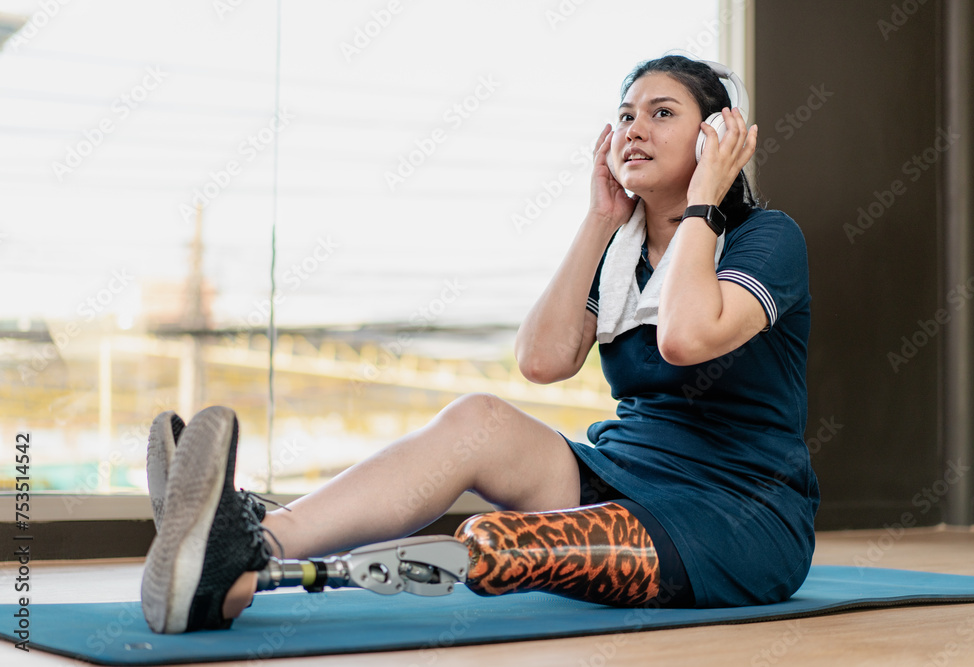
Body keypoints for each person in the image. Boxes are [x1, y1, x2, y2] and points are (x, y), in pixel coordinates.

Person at [140, 54, 820, 634]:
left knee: (506, 547)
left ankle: (228, 564)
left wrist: (707, 194)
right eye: (624, 114)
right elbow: (542, 359)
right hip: (620, 477)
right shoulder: (623, 249)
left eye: (661, 113)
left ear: (715, 137)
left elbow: (685, 336)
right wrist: (599, 218)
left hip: (739, 515)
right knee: (477, 419)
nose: (633, 128)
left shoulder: (766, 238)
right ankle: (247, 544)